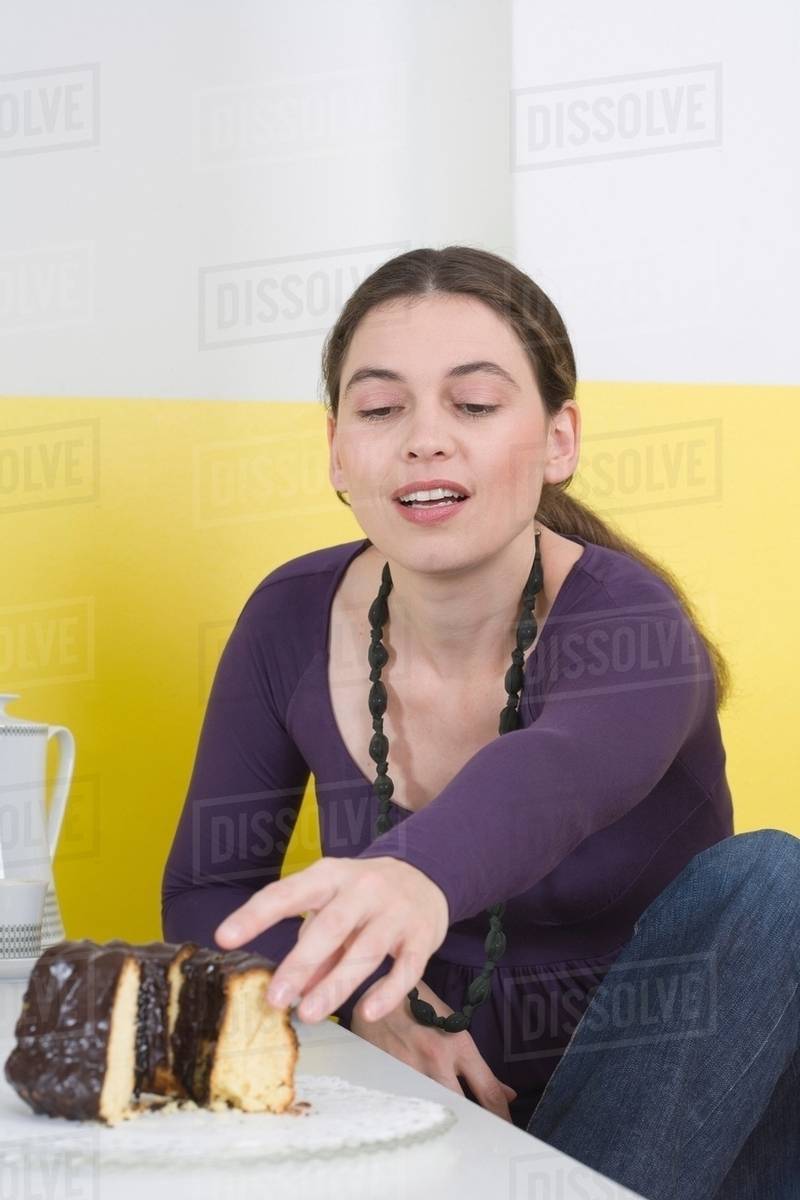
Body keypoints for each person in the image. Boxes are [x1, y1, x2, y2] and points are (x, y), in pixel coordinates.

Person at [162, 247, 795, 1192]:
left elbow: (555, 772)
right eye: (381, 409)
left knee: (774, 878)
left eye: (474, 404)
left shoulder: (634, 625)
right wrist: (360, 999)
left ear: (558, 440)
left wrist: (410, 880)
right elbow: (210, 894)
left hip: (682, 1138)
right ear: (338, 448)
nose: (425, 439)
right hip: (430, 1125)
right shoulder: (288, 619)